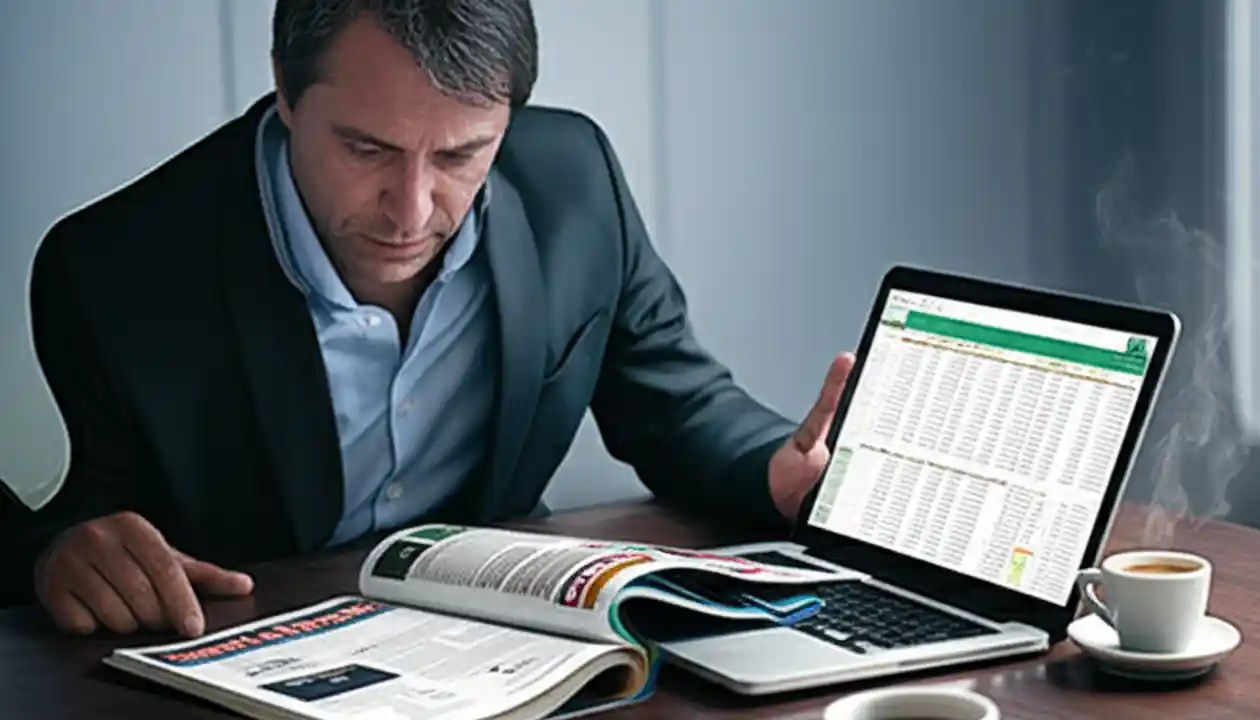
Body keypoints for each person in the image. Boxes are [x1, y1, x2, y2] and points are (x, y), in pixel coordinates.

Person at [4, 0, 854, 638]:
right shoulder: (114, 267)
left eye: (460, 155)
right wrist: (59, 557)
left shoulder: (574, 179)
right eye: (366, 149)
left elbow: (674, 401)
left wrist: (770, 468)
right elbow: (74, 531)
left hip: (510, 642)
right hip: (250, 658)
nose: (411, 210)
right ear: (286, 92)